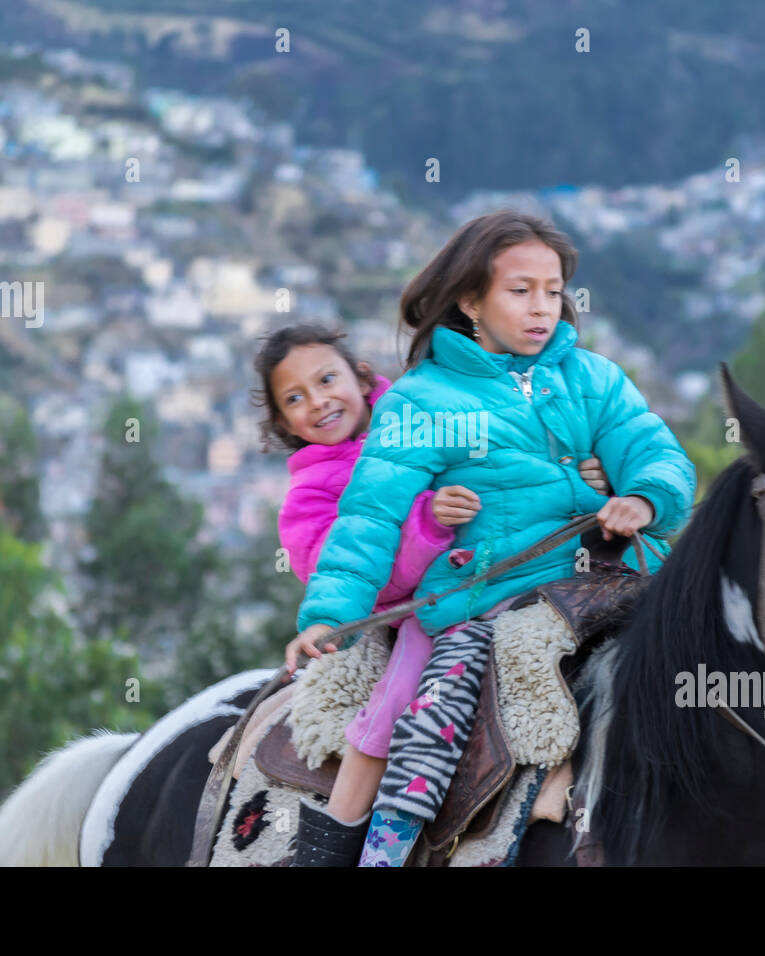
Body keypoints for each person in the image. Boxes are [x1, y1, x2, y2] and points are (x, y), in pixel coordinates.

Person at [290, 210, 697, 866]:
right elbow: (369, 517)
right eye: (520, 290)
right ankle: (381, 852)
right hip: (487, 602)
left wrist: (646, 499)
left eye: (552, 289)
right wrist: (330, 616)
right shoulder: (421, 402)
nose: (542, 307)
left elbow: (654, 451)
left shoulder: (593, 379)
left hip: (604, 584)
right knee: (433, 719)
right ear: (469, 300)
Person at [254, 322, 615, 866]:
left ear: (361, 376)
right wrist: (426, 523)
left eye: (327, 379)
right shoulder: (310, 494)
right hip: (425, 610)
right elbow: (359, 573)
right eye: (296, 398)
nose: (319, 401)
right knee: (398, 705)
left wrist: (589, 476)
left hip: (515, 577)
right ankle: (345, 846)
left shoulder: (425, 418)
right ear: (284, 422)